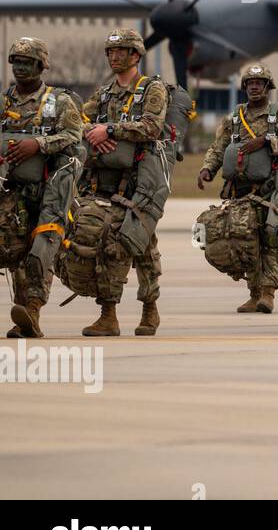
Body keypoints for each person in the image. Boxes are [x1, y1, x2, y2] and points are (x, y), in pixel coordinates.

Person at [78, 28, 171, 337]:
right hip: (104, 179)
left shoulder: (152, 89)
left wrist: (111, 131)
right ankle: (108, 313)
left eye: (120, 51)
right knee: (106, 242)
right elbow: (79, 119)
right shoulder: (104, 93)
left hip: (141, 180)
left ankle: (149, 307)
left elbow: (151, 127)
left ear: (136, 55)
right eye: (109, 52)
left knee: (140, 242)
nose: (113, 56)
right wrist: (94, 132)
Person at [196, 63, 278, 313]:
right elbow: (219, 146)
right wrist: (208, 168)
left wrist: (266, 142)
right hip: (241, 189)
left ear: (268, 87)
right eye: (250, 84)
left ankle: (268, 292)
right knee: (247, 239)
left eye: (259, 83)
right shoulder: (235, 116)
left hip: (274, 188)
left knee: (270, 238)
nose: (254, 87)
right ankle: (254, 293)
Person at [2, 37, 83, 339]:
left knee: (41, 246)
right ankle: (24, 313)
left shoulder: (59, 101)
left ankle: (32, 308)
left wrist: (38, 143)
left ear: (41, 65)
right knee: (14, 245)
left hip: (51, 187)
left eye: (27, 62)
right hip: (13, 188)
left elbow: (75, 134)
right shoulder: (4, 101)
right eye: (16, 62)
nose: (21, 68)